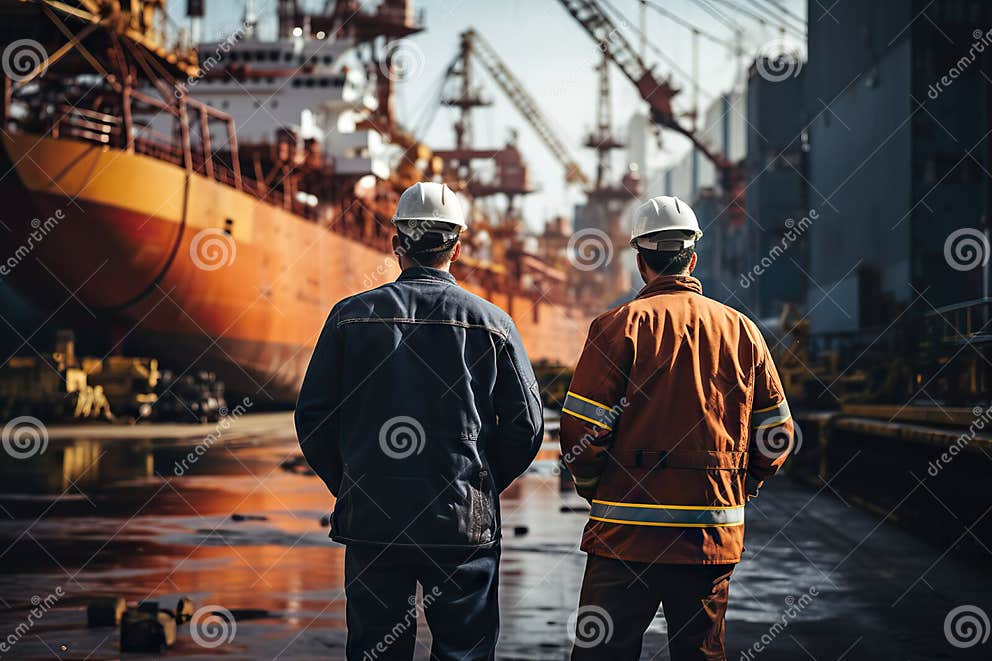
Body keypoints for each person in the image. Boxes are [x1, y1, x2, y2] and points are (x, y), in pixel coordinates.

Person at [295, 181, 544, 661]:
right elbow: (526, 427)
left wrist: (354, 482)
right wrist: (478, 484)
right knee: (463, 652)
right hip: (461, 523)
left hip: (372, 517)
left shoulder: (349, 317)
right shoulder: (493, 322)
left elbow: (313, 418)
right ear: (458, 245)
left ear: (396, 243)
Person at [559, 196, 795, 660]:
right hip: (709, 535)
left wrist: (595, 488)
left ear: (641, 259)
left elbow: (581, 432)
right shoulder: (742, 331)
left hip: (624, 536)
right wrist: (741, 486)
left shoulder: (616, 327)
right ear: (692, 256)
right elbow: (778, 432)